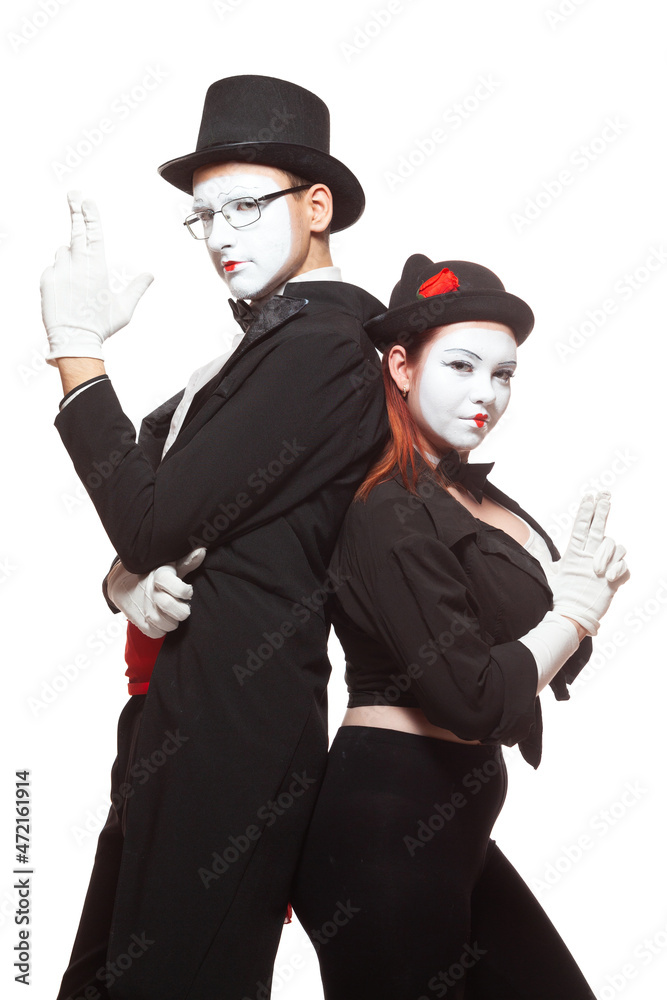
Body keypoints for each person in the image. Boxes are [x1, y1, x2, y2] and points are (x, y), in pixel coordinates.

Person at [40, 75, 388, 1000]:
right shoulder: (243, 356)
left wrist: (76, 349)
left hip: (234, 734)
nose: (221, 234)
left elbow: (152, 515)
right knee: (102, 982)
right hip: (172, 716)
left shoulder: (324, 347)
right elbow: (145, 522)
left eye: (245, 205)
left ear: (316, 208)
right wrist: (123, 586)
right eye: (203, 217)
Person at [290, 255, 629, 999]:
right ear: (402, 367)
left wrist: (566, 607)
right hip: (383, 826)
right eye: (462, 366)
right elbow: (474, 698)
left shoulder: (468, 494)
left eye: (503, 375)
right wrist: (569, 614)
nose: (486, 394)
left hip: (454, 825)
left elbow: (546, 665)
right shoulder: (385, 508)